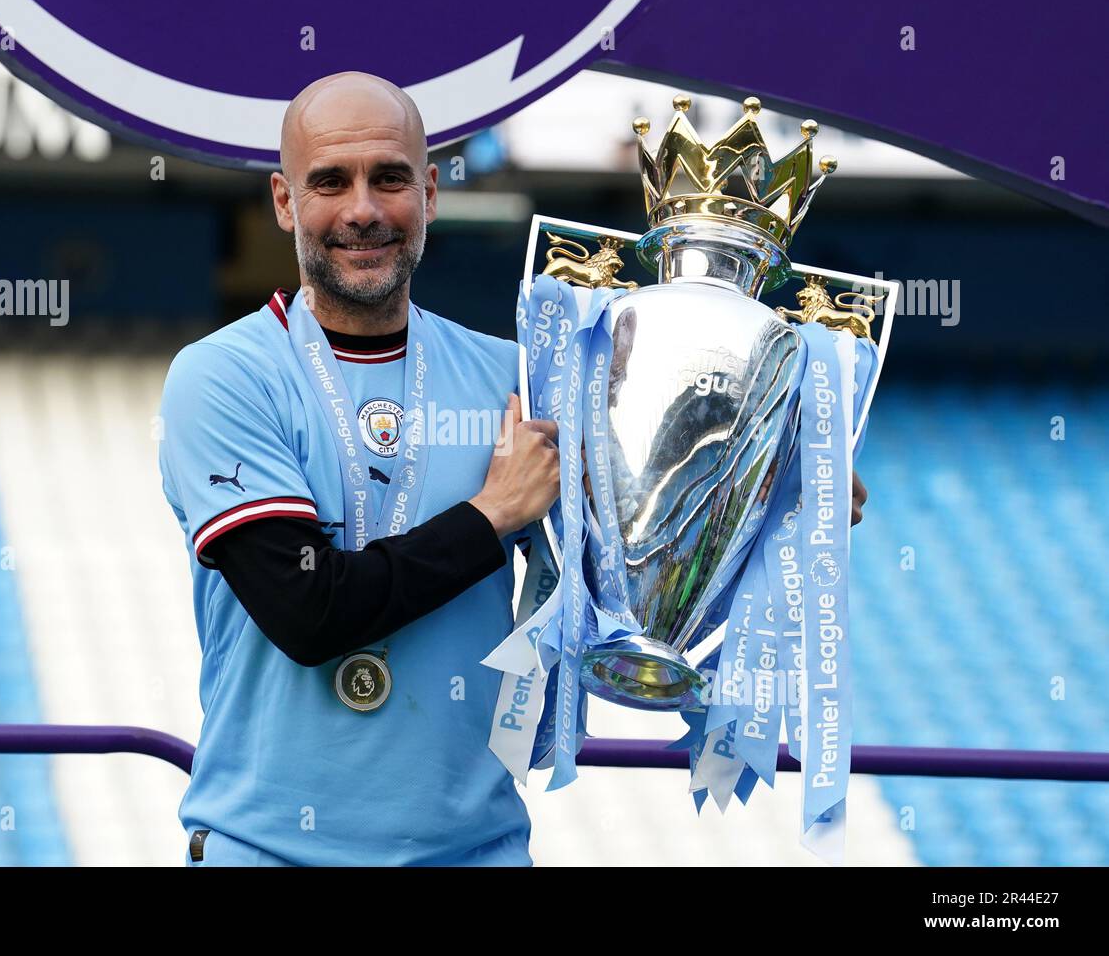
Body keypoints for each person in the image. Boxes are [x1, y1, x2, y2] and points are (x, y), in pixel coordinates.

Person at [157, 71, 870, 867]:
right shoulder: (224, 377)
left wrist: (771, 501)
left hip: (476, 853)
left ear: (429, 193)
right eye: (331, 182)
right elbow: (309, 612)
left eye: (390, 179)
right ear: (286, 203)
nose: (363, 209)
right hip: (270, 852)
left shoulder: (526, 379)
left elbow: (634, 576)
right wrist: (492, 515)